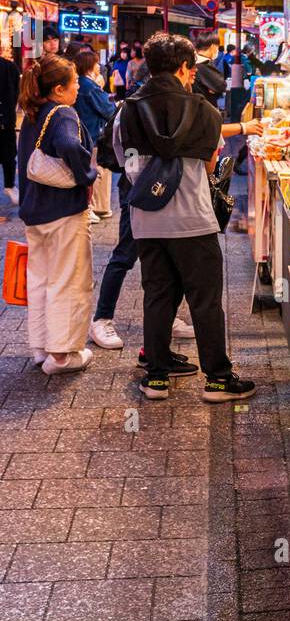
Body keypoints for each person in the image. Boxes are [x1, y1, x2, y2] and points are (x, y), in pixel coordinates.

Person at [116, 32, 256, 403]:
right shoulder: (205, 111)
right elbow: (211, 164)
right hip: (193, 219)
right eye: (192, 68)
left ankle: (157, 378)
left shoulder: (127, 109)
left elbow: (123, 160)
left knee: (158, 296)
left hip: (147, 220)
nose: (194, 74)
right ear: (182, 67)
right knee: (204, 301)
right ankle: (218, 380)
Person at [17, 55, 96, 373]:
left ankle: (41, 348)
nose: (79, 87)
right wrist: (85, 174)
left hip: (35, 212)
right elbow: (68, 144)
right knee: (68, 280)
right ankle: (62, 355)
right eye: (75, 82)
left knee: (41, 280)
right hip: (63, 211)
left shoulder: (33, 112)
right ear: (59, 88)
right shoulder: (63, 113)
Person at [74, 49, 115, 221]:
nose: (99, 66)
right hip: (93, 133)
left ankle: (96, 207)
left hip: (83, 133)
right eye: (96, 63)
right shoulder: (90, 86)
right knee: (97, 171)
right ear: (90, 66)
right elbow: (108, 110)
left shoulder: (80, 83)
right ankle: (95, 207)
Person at [0, 51, 21, 206]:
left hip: (6, 122)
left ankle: (10, 185)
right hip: (6, 119)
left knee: (9, 156)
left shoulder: (10, 68)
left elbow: (16, 94)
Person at [192, 32, 227, 107]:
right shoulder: (203, 63)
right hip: (204, 108)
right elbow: (221, 85)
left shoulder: (193, 61)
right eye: (217, 47)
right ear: (213, 46)